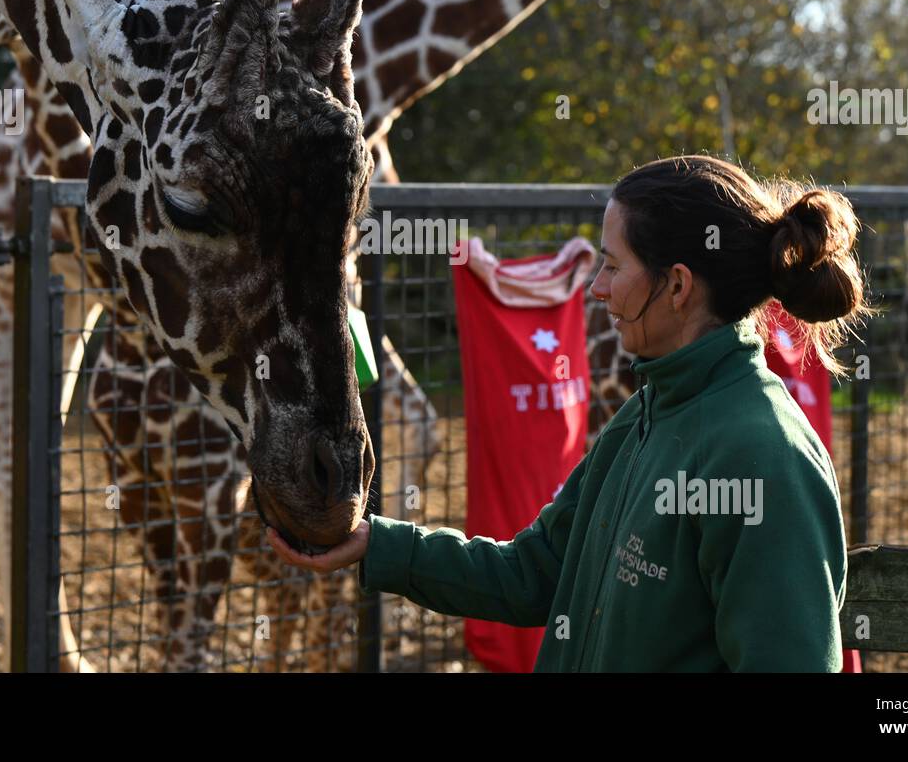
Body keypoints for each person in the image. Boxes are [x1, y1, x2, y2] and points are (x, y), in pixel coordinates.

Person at [268, 155, 866, 671]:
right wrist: (378, 547)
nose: (597, 287)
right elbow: (534, 572)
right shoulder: (642, 419)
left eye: (612, 265)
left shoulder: (766, 458)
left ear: (677, 286)